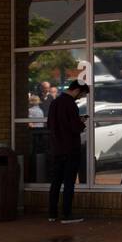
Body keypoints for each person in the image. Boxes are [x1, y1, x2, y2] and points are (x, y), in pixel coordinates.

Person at [46, 80, 88, 224]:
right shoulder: (70, 104)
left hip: (56, 148)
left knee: (56, 182)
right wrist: (82, 122)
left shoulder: (55, 103)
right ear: (76, 90)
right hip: (70, 148)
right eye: (81, 95)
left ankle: (52, 214)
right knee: (69, 182)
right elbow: (75, 127)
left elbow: (50, 124)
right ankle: (67, 214)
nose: (80, 98)